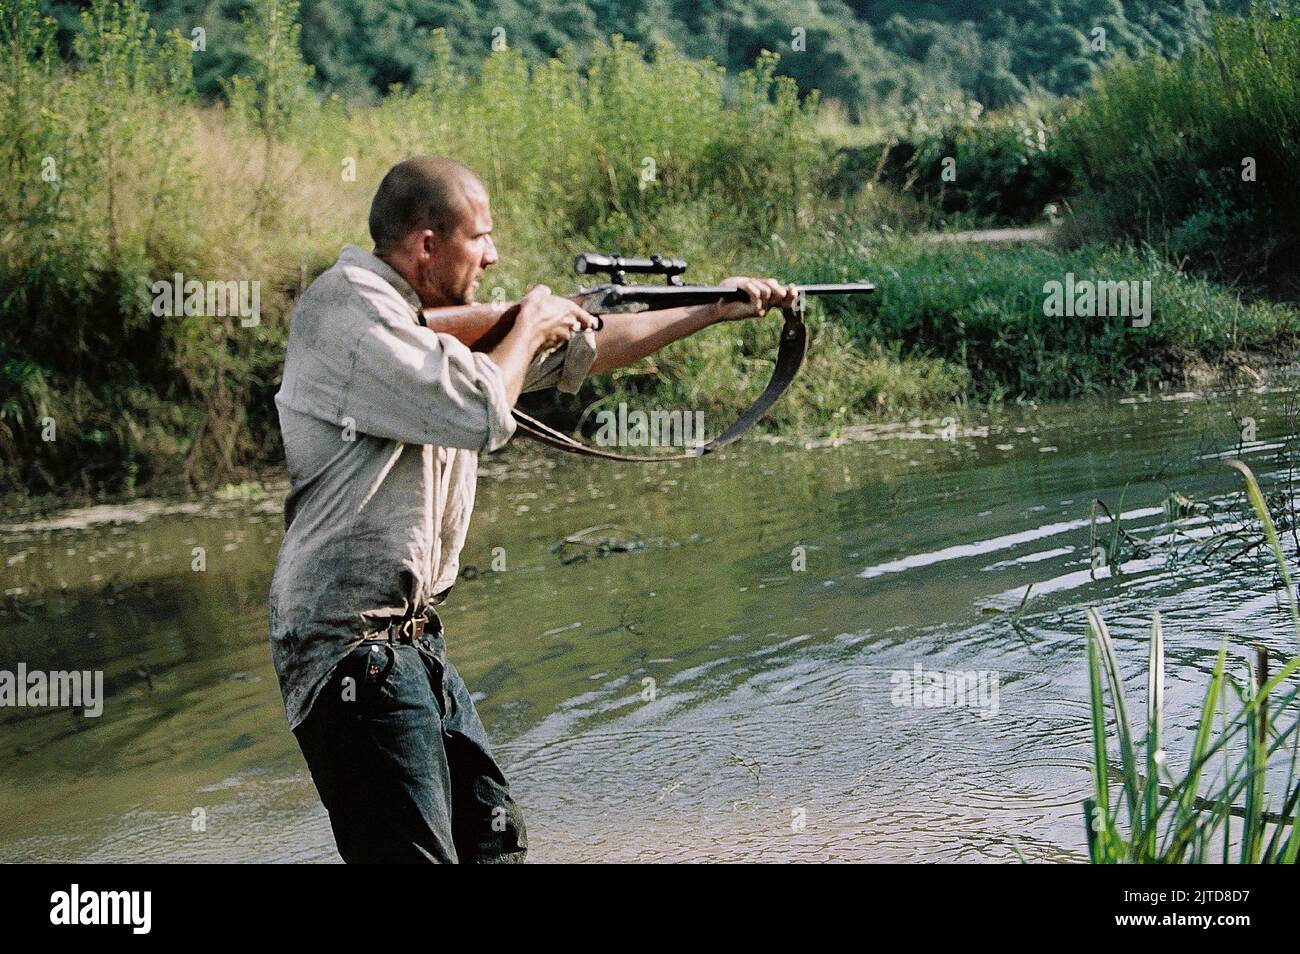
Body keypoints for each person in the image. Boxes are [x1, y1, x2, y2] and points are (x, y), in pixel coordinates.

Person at [268, 155, 795, 863]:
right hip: (350, 653)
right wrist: (531, 323)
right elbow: (485, 408)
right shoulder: (350, 312)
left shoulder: (417, 325)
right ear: (428, 244)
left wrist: (711, 309)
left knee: (494, 842)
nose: (494, 254)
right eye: (479, 237)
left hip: (411, 643)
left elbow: (586, 351)